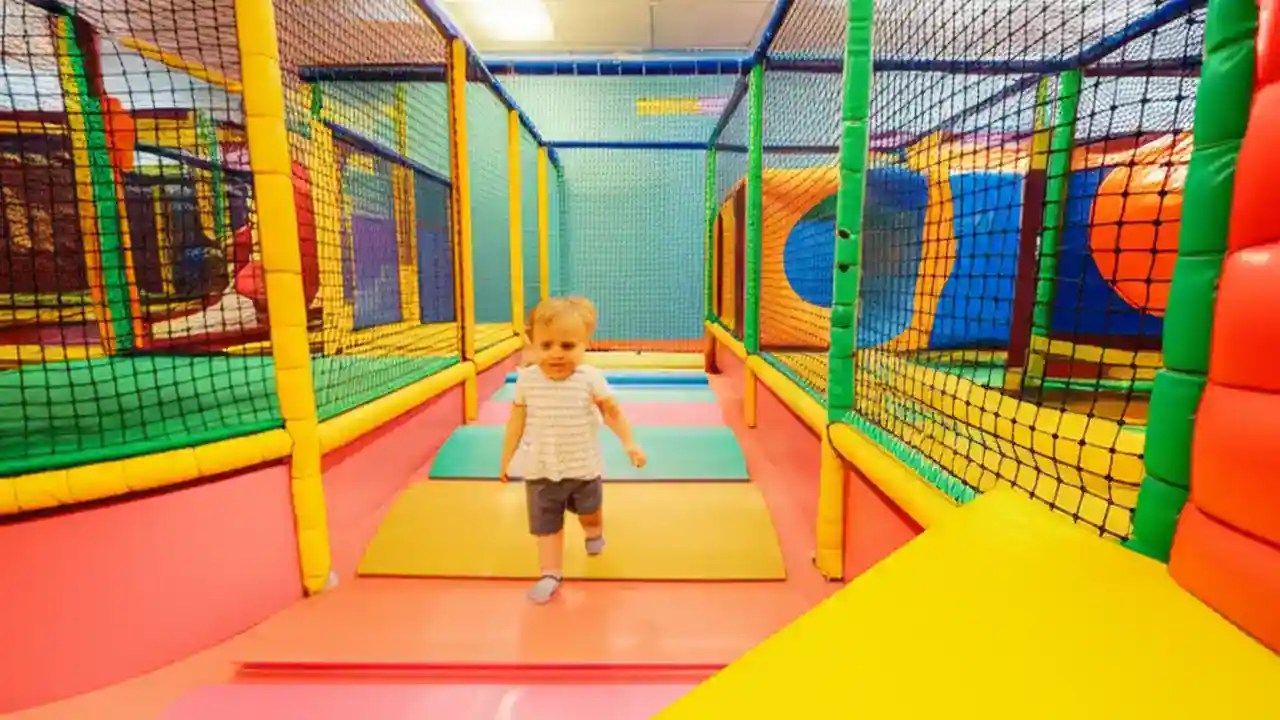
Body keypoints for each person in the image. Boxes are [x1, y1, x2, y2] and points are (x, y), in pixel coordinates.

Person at [499, 296, 646, 604]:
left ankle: (594, 533)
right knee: (547, 527)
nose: (555, 354)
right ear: (532, 342)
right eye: (546, 345)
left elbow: (612, 412)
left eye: (567, 346)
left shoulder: (589, 378)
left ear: (584, 344)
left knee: (589, 515)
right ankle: (550, 573)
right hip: (540, 469)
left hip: (582, 467)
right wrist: (506, 457)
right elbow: (516, 420)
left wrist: (630, 444)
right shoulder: (527, 380)